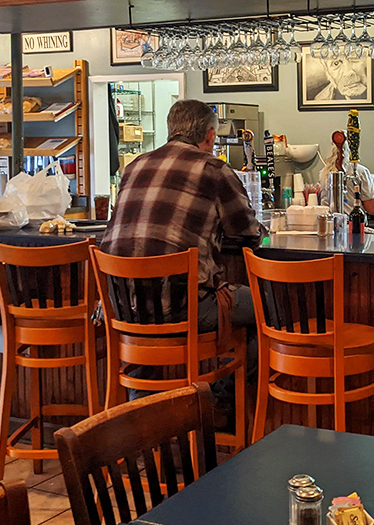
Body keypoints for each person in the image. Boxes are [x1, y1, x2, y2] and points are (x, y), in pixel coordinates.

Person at [101, 100, 263, 406]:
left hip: (124, 308)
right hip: (181, 309)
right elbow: (248, 233)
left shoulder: (134, 166)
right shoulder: (214, 169)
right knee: (271, 308)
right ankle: (211, 402)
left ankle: (142, 416)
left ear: (170, 130)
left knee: (148, 319)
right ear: (211, 136)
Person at [319, 141, 374, 216]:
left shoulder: (324, 173)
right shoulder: (360, 172)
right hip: (352, 222)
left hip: (328, 221)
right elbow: (372, 209)